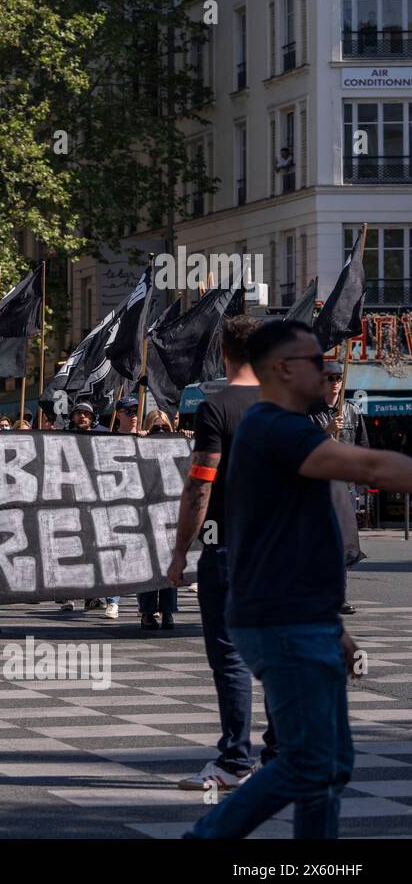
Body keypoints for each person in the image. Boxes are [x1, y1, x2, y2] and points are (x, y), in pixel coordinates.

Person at [185, 319, 412, 839]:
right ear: (284, 369)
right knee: (309, 761)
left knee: (328, 766)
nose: (330, 370)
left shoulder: (290, 427)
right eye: (317, 361)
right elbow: (373, 468)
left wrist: (335, 628)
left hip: (302, 617)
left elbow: (300, 540)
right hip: (282, 622)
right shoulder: (274, 427)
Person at [166, 315, 275, 791]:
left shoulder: (216, 409)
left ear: (221, 351)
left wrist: (179, 550)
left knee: (230, 657)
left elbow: (200, 487)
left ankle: (234, 759)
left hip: (228, 549)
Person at [309, 360, 369, 616]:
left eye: (338, 379)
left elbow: (362, 448)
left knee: (342, 543)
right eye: (329, 379)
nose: (334, 383)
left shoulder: (352, 412)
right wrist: (324, 430)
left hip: (344, 487)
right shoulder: (308, 412)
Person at [61, 402, 118, 617]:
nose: (83, 417)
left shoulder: (103, 433)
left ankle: (92, 595)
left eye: (87, 414)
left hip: (96, 499)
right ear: (73, 417)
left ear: (92, 417)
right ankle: (69, 595)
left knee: (94, 549)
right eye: (79, 414)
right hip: (71, 499)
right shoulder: (63, 436)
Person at [136, 409, 178, 630]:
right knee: (148, 567)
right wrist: (137, 441)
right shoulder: (139, 446)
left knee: (171, 566)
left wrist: (186, 438)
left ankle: (168, 612)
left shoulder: (177, 445)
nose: (161, 432)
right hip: (145, 517)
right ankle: (147, 612)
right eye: (156, 428)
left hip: (171, 516)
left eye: (165, 428)